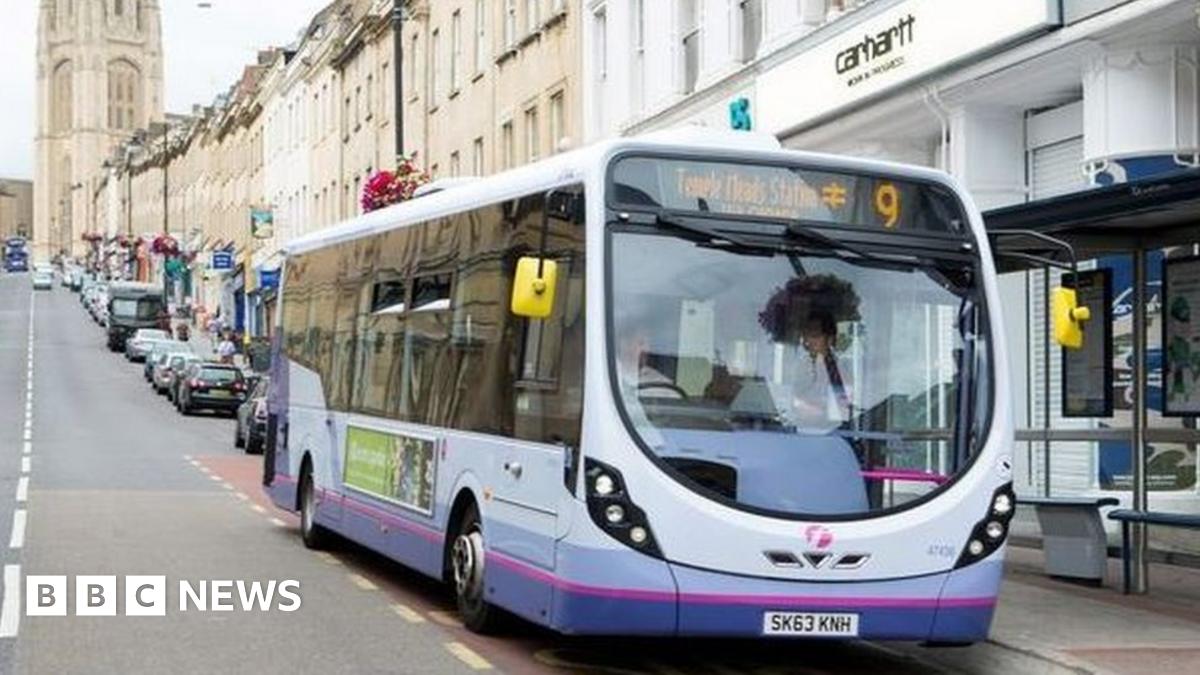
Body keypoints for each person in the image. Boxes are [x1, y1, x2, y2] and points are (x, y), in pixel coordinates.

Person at [790, 311, 853, 429]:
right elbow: (793, 402)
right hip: (800, 431)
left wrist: (810, 408)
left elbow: (840, 411)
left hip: (829, 434)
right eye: (806, 336)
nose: (808, 342)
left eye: (815, 336)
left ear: (830, 339)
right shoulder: (802, 365)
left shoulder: (840, 369)